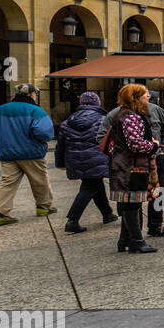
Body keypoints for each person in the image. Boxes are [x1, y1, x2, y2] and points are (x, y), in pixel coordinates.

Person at [99, 95, 164, 239]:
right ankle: (133, 232)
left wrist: (163, 149)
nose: (148, 97)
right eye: (144, 95)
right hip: (132, 164)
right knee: (133, 198)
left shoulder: (156, 110)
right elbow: (102, 136)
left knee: (159, 193)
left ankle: (157, 225)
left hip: (155, 158)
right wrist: (120, 154)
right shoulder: (116, 114)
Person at [0, 82, 56, 227]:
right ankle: (43, 207)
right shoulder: (36, 111)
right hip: (32, 153)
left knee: (7, 182)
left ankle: (0, 213)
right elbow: (45, 133)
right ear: (31, 95)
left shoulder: (0, 110)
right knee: (40, 180)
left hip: (7, 154)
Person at [104, 84, 160, 254]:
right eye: (145, 95)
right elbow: (135, 144)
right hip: (131, 167)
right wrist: (153, 145)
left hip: (123, 165)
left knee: (130, 203)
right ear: (135, 98)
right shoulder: (131, 117)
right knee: (132, 204)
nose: (148, 97)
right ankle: (136, 241)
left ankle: (125, 240)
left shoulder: (121, 114)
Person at [54, 91, 117, 234]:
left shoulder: (67, 121)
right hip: (98, 158)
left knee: (95, 183)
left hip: (76, 160)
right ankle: (72, 220)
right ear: (97, 103)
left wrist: (60, 163)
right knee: (89, 187)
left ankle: (107, 213)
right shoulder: (103, 120)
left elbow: (60, 146)